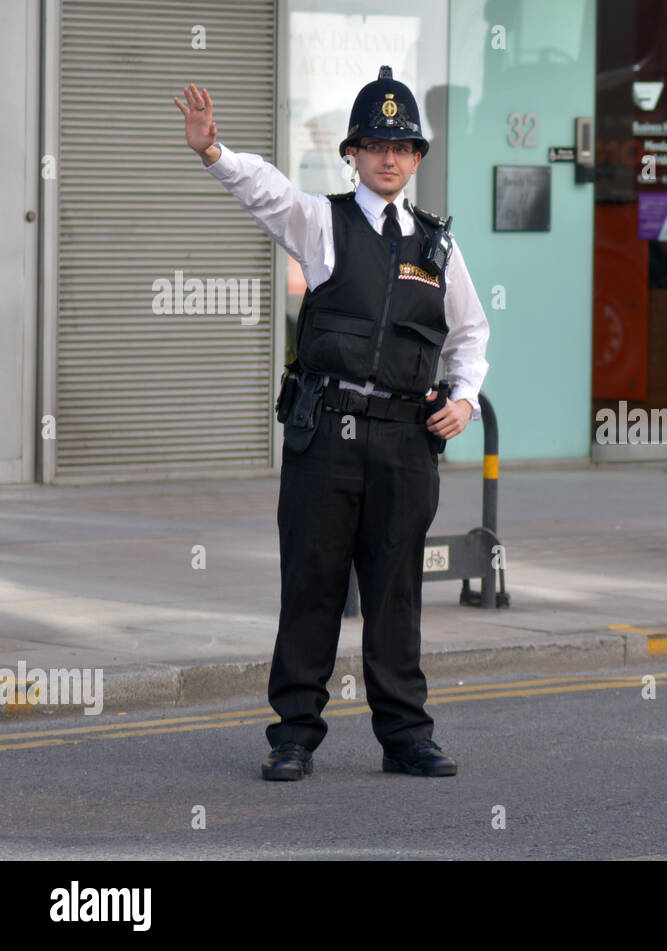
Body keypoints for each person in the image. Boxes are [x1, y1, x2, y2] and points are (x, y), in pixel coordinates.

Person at [174, 68, 489, 781]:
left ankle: (406, 735)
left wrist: (465, 399)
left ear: (417, 159)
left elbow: (470, 335)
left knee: (396, 592)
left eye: (402, 145)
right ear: (352, 153)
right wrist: (213, 153)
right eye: (375, 143)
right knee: (312, 587)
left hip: (407, 444)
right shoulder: (323, 224)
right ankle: (293, 735)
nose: (388, 156)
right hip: (328, 437)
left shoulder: (438, 247)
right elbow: (269, 193)